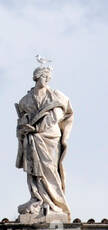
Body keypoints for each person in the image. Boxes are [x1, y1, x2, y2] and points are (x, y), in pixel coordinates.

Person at [15, 65, 72, 221]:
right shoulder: (25, 100)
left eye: (48, 77)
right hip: (32, 138)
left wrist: (37, 127)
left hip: (50, 137)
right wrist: (23, 128)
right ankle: (37, 198)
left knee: (50, 168)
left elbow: (58, 115)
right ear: (37, 77)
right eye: (44, 77)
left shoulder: (56, 96)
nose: (47, 80)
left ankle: (55, 202)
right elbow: (21, 121)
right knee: (34, 170)